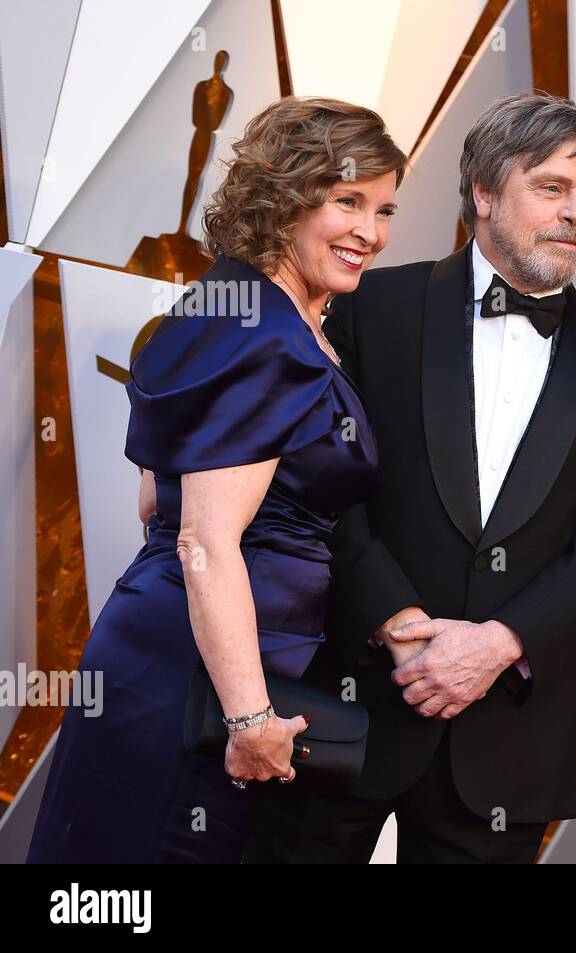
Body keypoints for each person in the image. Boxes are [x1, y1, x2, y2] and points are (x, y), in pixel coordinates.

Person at [247, 92, 576, 863]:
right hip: (344, 702)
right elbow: (316, 485)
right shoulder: (367, 305)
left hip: (506, 740)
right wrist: (396, 623)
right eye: (552, 188)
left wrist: (499, 643)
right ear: (482, 192)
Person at [26, 97, 405, 863]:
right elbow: (203, 538)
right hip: (200, 684)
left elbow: (154, 502)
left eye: (386, 208)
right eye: (349, 201)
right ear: (287, 195)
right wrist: (249, 716)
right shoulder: (266, 335)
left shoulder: (240, 309)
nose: (373, 231)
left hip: (177, 656)